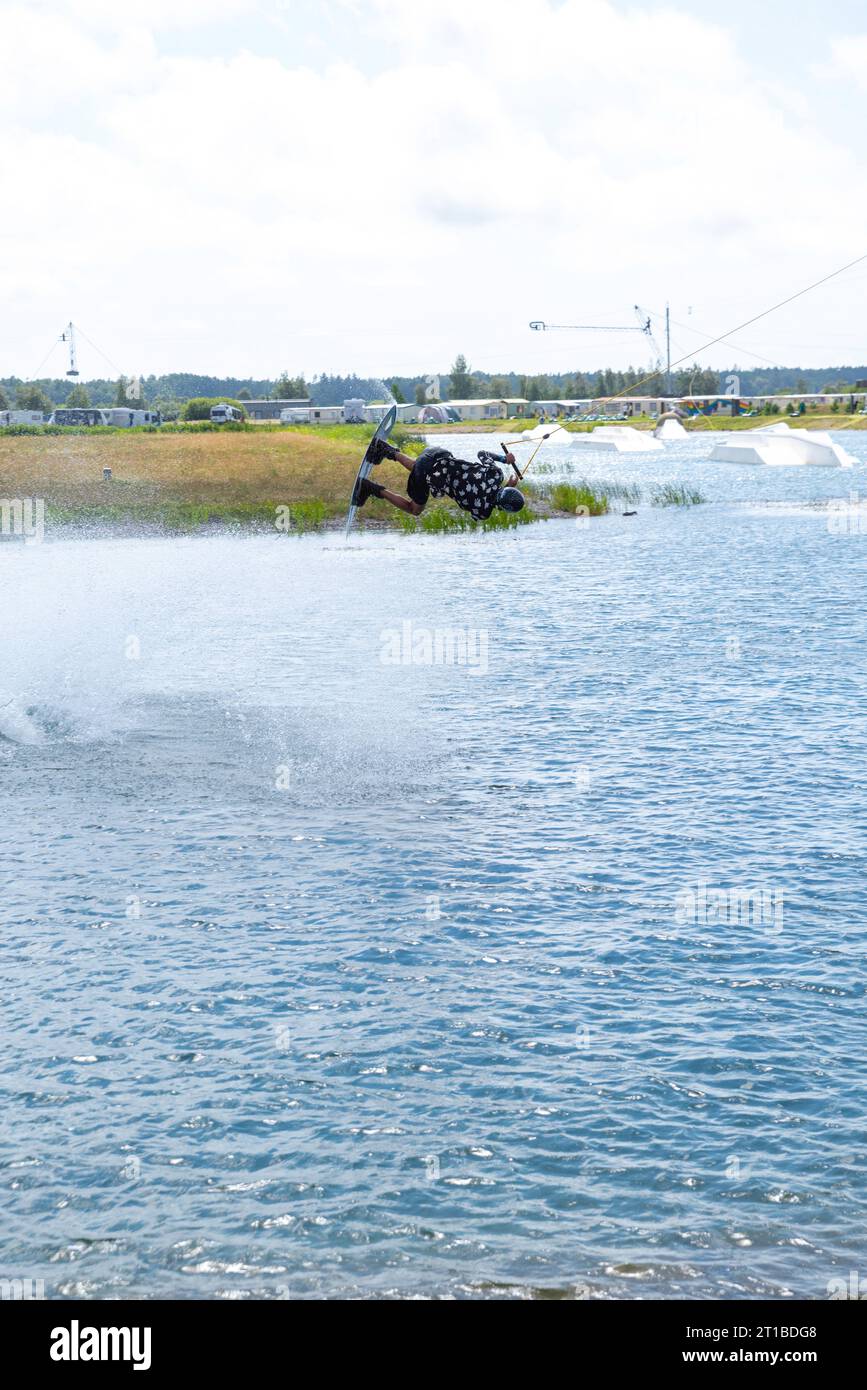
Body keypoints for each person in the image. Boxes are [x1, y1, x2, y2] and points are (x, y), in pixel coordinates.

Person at [353, 439, 525, 521]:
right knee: (414, 509)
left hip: (437, 453)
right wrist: (502, 494)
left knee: (419, 465)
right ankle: (370, 488)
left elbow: (482, 454)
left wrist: (504, 459)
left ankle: (385, 449)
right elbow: (489, 501)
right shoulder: (483, 512)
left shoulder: (496, 475)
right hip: (428, 475)